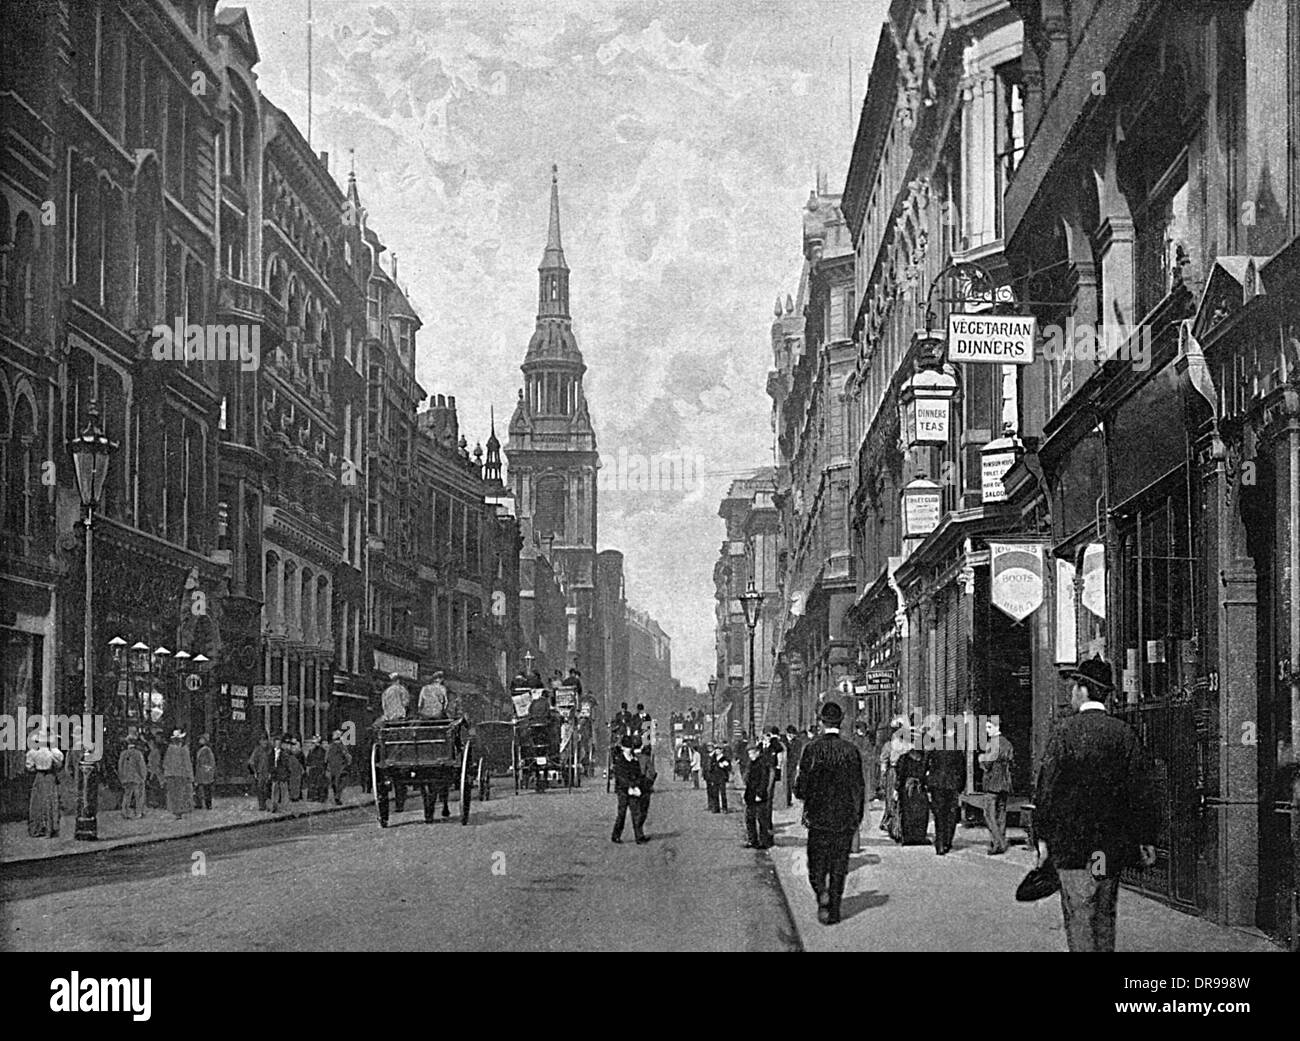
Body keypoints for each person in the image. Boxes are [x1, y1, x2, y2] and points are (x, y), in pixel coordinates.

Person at [1034, 656, 1159, 952]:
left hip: (1073, 849)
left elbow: (1046, 791)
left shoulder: (1064, 733)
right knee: (1104, 917)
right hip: (1107, 850)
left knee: (1079, 917)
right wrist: (1146, 838)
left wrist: (1041, 838)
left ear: (1083, 690)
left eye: (1074, 686)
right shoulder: (1124, 734)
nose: (1071, 693)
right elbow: (1142, 790)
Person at [793, 701, 864, 925]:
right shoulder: (851, 750)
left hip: (818, 818)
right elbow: (859, 789)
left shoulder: (812, 749)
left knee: (816, 864)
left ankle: (821, 891)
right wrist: (857, 818)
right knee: (838, 866)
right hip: (843, 818)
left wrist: (806, 797)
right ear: (841, 722)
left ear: (821, 722)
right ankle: (833, 910)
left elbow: (801, 788)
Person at [923, 724, 965, 855]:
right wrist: (961, 786)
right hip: (952, 785)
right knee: (951, 815)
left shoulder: (933, 746)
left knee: (939, 815)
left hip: (937, 785)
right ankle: (947, 842)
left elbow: (925, 766)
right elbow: (962, 769)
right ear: (951, 731)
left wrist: (926, 783)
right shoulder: (956, 748)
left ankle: (939, 844)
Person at [978, 716, 1014, 854]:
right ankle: (1001, 840)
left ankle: (998, 844)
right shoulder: (1007, 743)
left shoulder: (992, 743)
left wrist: (980, 759)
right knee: (1001, 814)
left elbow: (987, 764)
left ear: (997, 727)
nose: (987, 731)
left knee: (989, 814)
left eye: (989, 727)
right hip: (1004, 782)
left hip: (992, 782)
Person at [611, 736, 649, 844]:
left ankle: (639, 836)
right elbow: (620, 778)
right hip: (623, 791)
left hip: (633, 789)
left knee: (637, 813)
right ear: (622, 747)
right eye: (627, 747)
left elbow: (639, 775)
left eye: (630, 747)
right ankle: (616, 835)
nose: (629, 749)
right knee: (622, 814)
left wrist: (637, 786)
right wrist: (629, 788)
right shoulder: (619, 761)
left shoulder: (634, 760)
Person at [879, 718, 912, 838]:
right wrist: (883, 776)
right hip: (893, 772)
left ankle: (901, 826)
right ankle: (893, 826)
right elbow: (884, 760)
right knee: (891, 799)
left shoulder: (908, 744)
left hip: (904, 773)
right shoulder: (889, 745)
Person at [25, 742, 64, 838]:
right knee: (50, 802)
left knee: (37, 802)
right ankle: (50, 829)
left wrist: (37, 768)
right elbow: (59, 765)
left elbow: (29, 767)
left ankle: (37, 829)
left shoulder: (33, 752)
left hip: (39, 776)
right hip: (50, 776)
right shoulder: (54, 752)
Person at [743, 744, 774, 849]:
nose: (750, 756)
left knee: (761, 819)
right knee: (749, 818)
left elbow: (764, 780)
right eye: (749, 754)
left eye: (751, 753)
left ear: (757, 752)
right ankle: (752, 840)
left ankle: (763, 841)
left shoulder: (762, 763)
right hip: (751, 794)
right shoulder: (752, 763)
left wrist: (760, 794)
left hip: (758, 795)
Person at [163, 729, 194, 819]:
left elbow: (165, 763)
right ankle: (179, 812)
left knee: (174, 794)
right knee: (181, 794)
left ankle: (175, 811)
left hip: (171, 775)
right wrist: (190, 776)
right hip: (181, 775)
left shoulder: (169, 749)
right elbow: (187, 764)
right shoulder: (184, 750)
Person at [118, 738, 147, 819]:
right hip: (137, 778)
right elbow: (141, 766)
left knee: (127, 795)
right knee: (139, 796)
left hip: (126, 778)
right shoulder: (138, 753)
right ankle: (138, 812)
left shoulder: (123, 754)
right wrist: (143, 776)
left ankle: (125, 812)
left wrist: (122, 777)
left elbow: (120, 767)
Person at [326, 730, 352, 805]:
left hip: (332, 767)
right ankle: (337, 796)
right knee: (341, 782)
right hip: (341, 767)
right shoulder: (342, 746)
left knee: (334, 783)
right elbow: (347, 755)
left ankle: (336, 796)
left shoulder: (330, 746)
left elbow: (326, 757)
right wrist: (349, 762)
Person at [248, 734, 272, 810]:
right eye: (262, 740)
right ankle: (262, 805)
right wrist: (255, 772)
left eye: (265, 740)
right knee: (261, 789)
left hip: (269, 772)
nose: (264, 742)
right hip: (260, 773)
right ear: (260, 741)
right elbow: (251, 762)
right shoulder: (257, 750)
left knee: (268, 789)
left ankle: (268, 805)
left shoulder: (270, 750)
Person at [270, 733, 291, 812]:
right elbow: (270, 763)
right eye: (276, 743)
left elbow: (286, 765)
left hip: (282, 774)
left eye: (279, 743)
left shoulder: (284, 753)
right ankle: (274, 807)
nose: (277, 745)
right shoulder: (271, 753)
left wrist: (286, 773)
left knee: (283, 792)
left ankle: (284, 808)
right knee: (274, 791)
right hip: (275, 774)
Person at [637, 741, 657, 825]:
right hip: (644, 784)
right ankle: (639, 827)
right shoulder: (647, 759)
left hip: (634, 783)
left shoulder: (635, 757)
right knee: (644, 808)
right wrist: (650, 782)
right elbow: (652, 772)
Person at [194, 734, 216, 810]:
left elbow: (211, 761)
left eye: (202, 739)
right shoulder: (201, 749)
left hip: (205, 772)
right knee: (200, 788)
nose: (200, 741)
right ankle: (200, 803)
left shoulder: (207, 750)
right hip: (201, 771)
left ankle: (207, 804)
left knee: (206, 788)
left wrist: (209, 768)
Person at [784, 725, 803, 807]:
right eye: (790, 735)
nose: (791, 737)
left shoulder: (798, 743)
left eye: (793, 735)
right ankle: (784, 801)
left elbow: (798, 754)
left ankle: (788, 800)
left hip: (792, 766)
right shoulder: (782, 741)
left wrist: (797, 764)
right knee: (784, 783)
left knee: (791, 783)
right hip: (784, 766)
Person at [305, 735, 328, 802]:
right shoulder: (311, 751)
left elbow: (324, 760)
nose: (313, 744)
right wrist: (308, 767)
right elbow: (308, 760)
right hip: (313, 769)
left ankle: (321, 797)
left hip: (320, 769)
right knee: (312, 783)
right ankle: (313, 797)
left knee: (320, 783)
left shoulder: (322, 751)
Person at [286, 735, 305, 801]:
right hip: (292, 768)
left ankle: (297, 796)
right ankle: (293, 796)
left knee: (297, 782)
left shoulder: (299, 752)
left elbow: (302, 760)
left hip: (297, 768)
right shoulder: (288, 752)